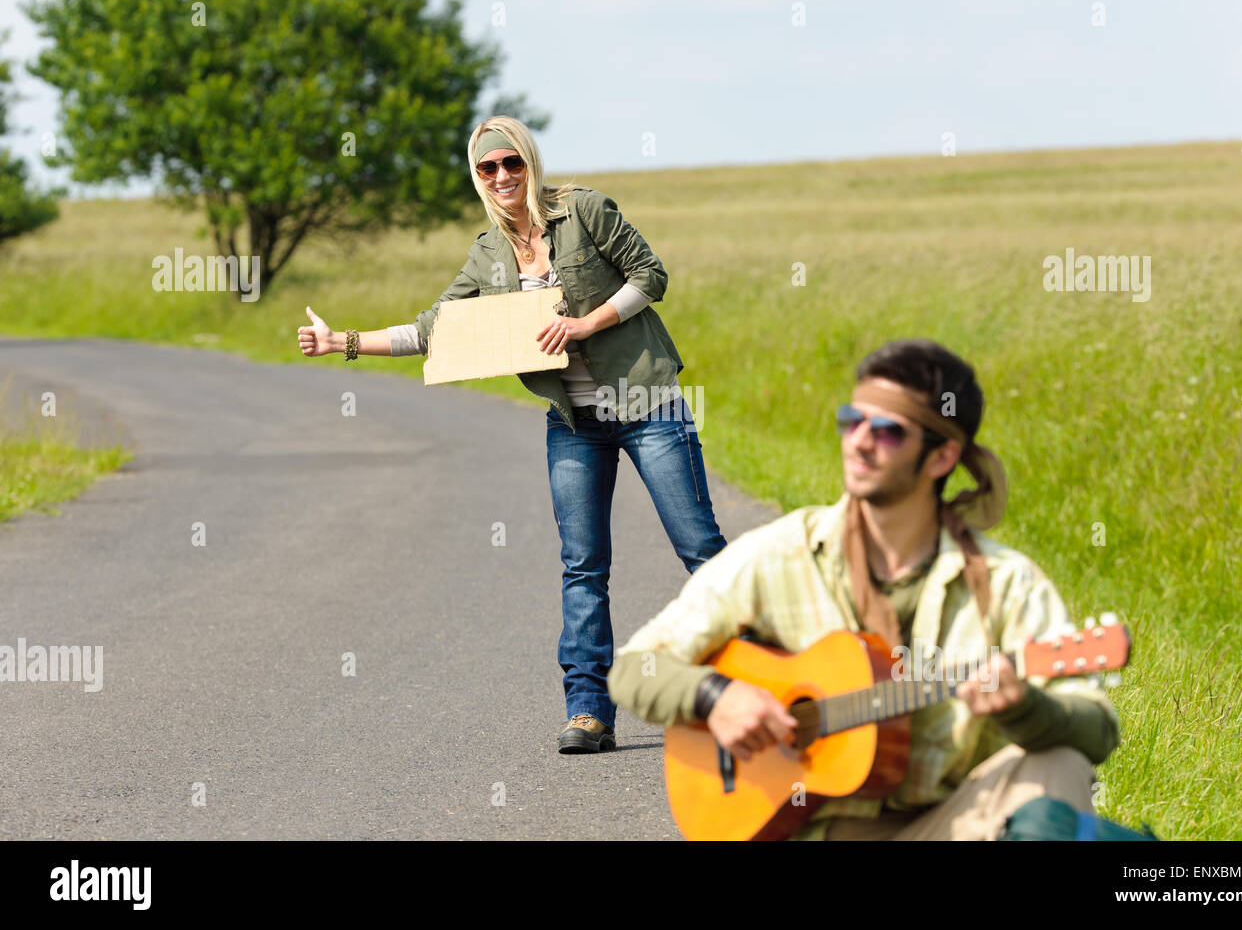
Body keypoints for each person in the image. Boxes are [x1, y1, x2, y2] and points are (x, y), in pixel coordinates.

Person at [298, 116, 727, 754]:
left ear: (529, 161)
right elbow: (437, 329)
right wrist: (347, 343)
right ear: (477, 177)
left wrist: (585, 325)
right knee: (583, 566)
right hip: (575, 425)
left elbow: (650, 277)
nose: (502, 176)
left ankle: (765, 681)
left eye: (511, 162)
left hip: (647, 403)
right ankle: (589, 712)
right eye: (488, 168)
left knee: (701, 551)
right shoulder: (488, 254)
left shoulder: (583, 211)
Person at [607, 339, 1121, 839]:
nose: (859, 440)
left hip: (947, 823)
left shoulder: (1006, 582)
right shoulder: (779, 555)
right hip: (805, 827)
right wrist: (717, 696)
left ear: (942, 458)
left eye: (888, 431)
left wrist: (1025, 707)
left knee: (1057, 765)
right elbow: (634, 669)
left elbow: (1097, 729)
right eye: (851, 422)